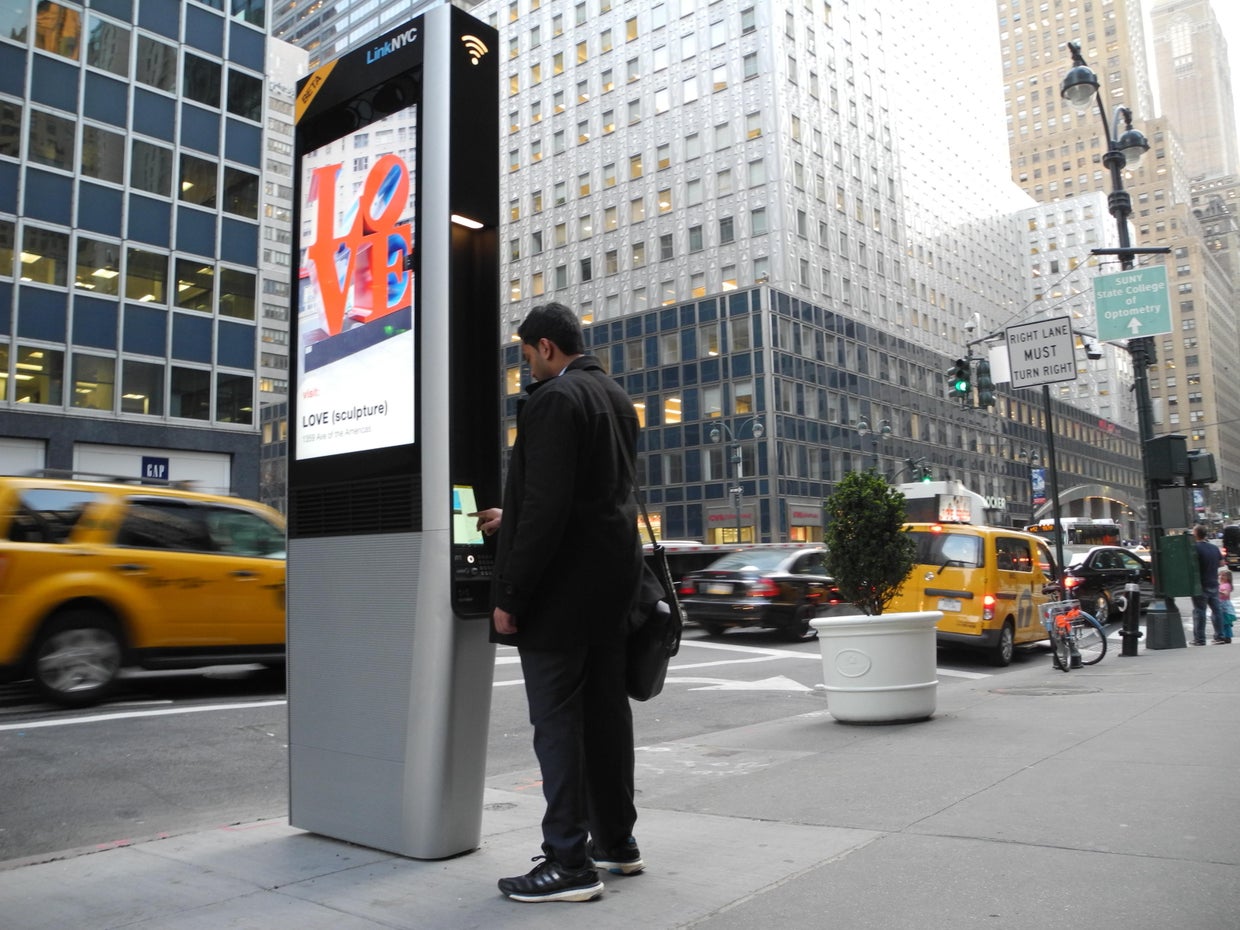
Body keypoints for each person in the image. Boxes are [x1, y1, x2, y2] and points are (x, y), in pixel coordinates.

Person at [474, 302, 645, 903]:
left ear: (546, 347)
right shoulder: (615, 399)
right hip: (611, 589)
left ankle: (568, 863)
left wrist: (510, 592)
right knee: (605, 717)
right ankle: (616, 842)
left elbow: (549, 509)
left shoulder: (554, 400)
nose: (528, 369)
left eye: (527, 357)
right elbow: (585, 495)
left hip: (560, 596)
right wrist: (514, 514)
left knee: (556, 725)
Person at [1190, 524, 1225, 645]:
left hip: (1200, 584)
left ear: (1196, 534)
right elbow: (1222, 563)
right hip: (1213, 582)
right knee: (1217, 611)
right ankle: (1220, 636)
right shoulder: (1214, 548)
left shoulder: (1194, 548)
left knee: (1200, 611)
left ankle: (1200, 639)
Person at [1218, 567, 1235, 643]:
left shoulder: (1227, 585)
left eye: (1223, 575)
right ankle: (1225, 636)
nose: (1221, 577)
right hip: (1221, 605)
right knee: (1223, 622)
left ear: (1228, 578)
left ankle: (1227, 637)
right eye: (1220, 575)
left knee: (1225, 622)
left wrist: (1218, 592)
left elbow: (1226, 594)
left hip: (1225, 606)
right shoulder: (1221, 584)